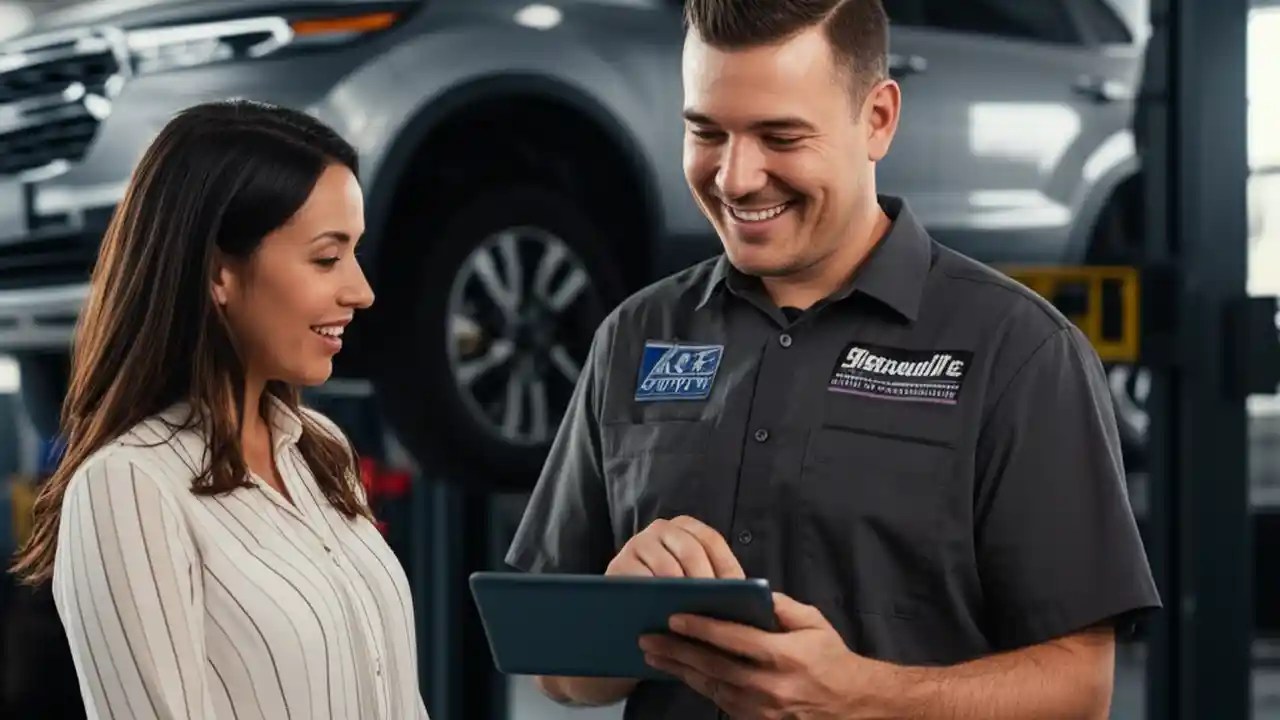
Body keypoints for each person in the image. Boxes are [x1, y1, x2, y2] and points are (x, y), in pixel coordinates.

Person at [505, 0, 1161, 717]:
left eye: (780, 137)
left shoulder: (1020, 352)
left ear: (877, 119)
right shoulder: (635, 336)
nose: (735, 178)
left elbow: (1079, 689)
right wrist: (616, 618)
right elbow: (558, 671)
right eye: (707, 133)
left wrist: (861, 697)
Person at [8, 99, 430, 720]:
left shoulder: (322, 451)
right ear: (217, 274)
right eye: (325, 257)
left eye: (355, 253)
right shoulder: (128, 487)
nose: (360, 290)